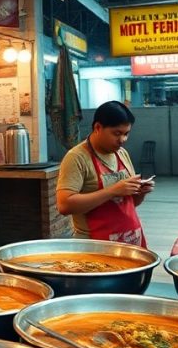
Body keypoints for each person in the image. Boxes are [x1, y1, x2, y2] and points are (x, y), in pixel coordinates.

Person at [56, 101, 154, 245]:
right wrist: (113, 191)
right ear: (98, 127)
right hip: (94, 245)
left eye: (126, 134)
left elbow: (131, 203)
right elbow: (64, 205)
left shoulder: (121, 154)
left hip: (129, 238)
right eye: (117, 133)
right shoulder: (76, 157)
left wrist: (141, 192)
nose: (123, 140)